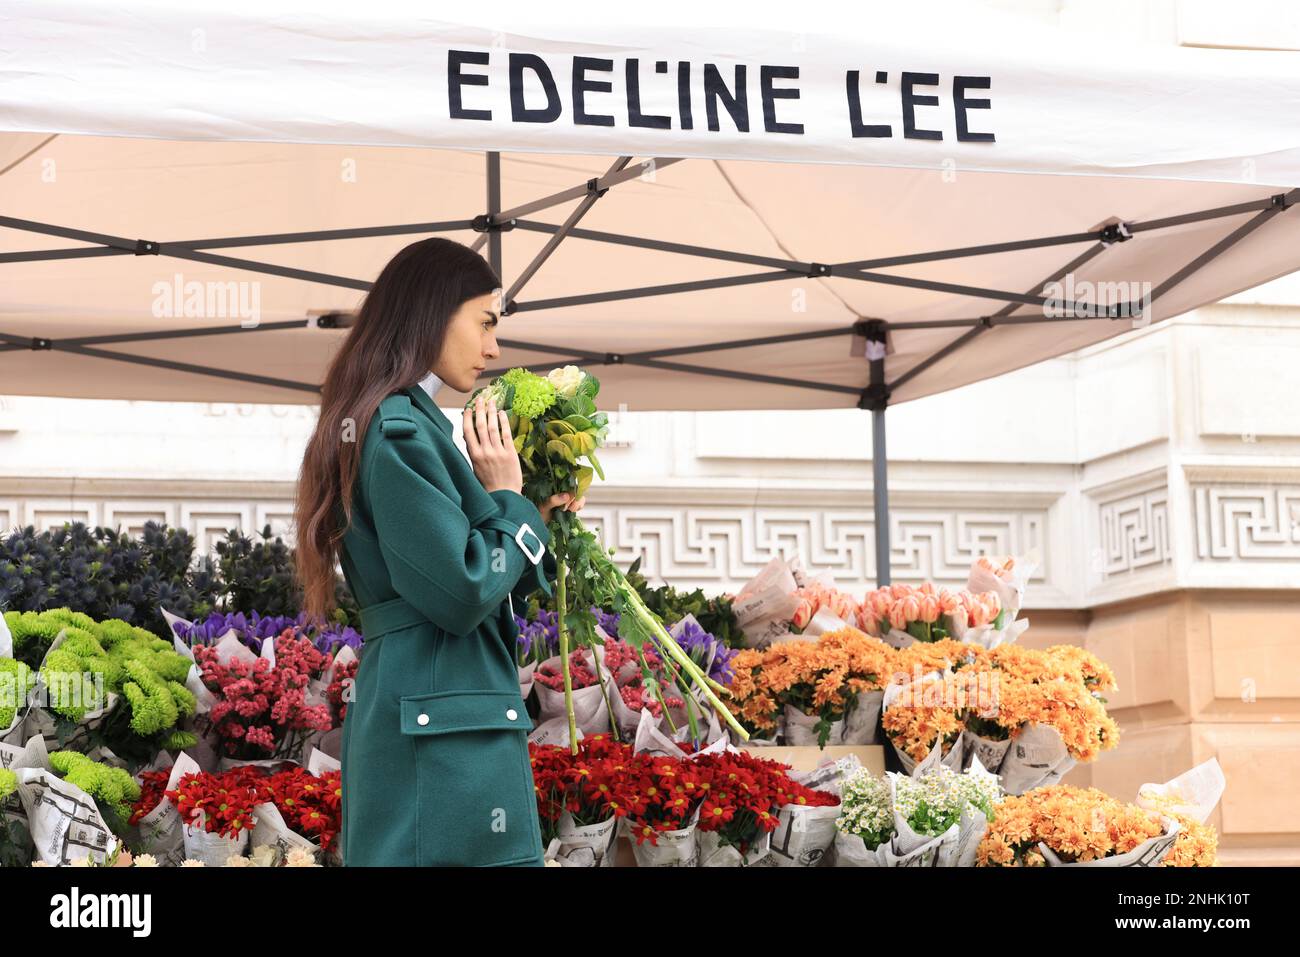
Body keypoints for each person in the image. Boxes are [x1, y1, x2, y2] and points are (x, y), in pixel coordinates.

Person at [293, 237, 584, 866]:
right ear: (431, 312)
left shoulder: (408, 424)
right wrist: (510, 502)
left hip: (441, 710)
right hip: (442, 722)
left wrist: (534, 515)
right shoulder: (399, 430)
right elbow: (461, 591)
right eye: (484, 322)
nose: (494, 348)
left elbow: (480, 574)